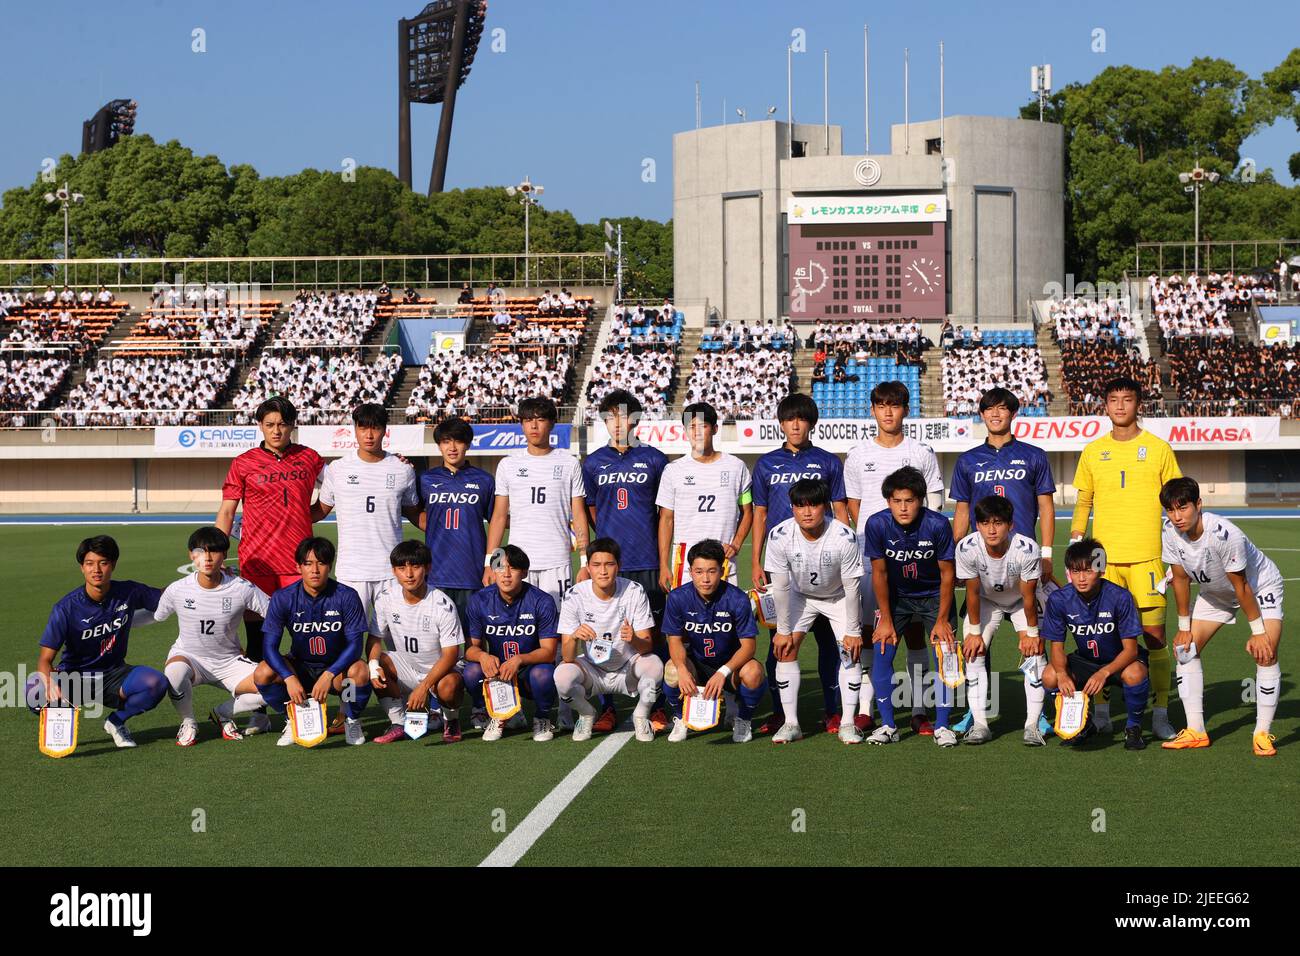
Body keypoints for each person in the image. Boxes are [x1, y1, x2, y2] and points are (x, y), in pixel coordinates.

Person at [1069, 376, 1181, 740]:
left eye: (1127, 399)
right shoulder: (1092, 451)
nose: (1120, 405)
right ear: (1105, 404)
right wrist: (1076, 546)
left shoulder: (1158, 448)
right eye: (1113, 399)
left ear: (1139, 405)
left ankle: (1161, 712)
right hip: (1104, 562)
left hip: (1147, 559)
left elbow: (1175, 499)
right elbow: (1083, 501)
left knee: (1154, 636)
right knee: (1103, 639)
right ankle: (1102, 712)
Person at [948, 386, 1057, 736]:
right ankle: (977, 715)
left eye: (1002, 409)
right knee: (975, 644)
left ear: (1013, 413)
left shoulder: (1033, 455)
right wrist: (953, 554)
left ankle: (1038, 716)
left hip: (1023, 563)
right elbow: (962, 510)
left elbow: (1045, 506)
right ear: (981, 415)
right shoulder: (968, 461)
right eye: (989, 409)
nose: (995, 414)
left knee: (1036, 645)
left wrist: (1047, 552)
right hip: (983, 564)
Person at [844, 381, 945, 734]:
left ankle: (918, 709)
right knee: (875, 631)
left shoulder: (921, 452)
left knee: (917, 634)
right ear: (872, 410)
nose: (888, 412)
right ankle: (867, 709)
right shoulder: (858, 454)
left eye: (896, 405)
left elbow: (934, 499)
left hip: (915, 558)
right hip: (873, 558)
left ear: (905, 409)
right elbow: (853, 507)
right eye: (882, 405)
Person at [485, 396, 589, 729]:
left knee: (559, 640)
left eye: (541, 419)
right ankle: (509, 710)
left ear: (551, 424)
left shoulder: (568, 462)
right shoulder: (508, 464)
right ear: (521, 423)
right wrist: (492, 562)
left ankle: (561, 706)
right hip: (516, 567)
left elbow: (578, 514)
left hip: (557, 561)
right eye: (528, 419)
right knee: (508, 636)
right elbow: (500, 516)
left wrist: (584, 559)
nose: (534, 425)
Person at [1159, 477, 1283, 756]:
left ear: (1198, 505)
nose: (1177, 517)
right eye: (1171, 510)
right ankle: (1196, 731)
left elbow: (1242, 586)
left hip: (1259, 586)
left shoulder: (1224, 534)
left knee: (1266, 652)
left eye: (1184, 508)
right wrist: (1183, 626)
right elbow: (1179, 578)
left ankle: (1262, 733)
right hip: (1216, 591)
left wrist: (1258, 631)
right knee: (1185, 649)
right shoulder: (1169, 531)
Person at [750, 392, 851, 735]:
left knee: (830, 646)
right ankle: (781, 714)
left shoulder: (828, 461)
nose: (795, 425)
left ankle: (832, 712)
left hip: (825, 567)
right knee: (781, 642)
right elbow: (759, 514)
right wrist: (755, 560)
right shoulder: (765, 464)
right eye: (789, 419)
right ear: (780, 423)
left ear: (811, 423)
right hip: (782, 566)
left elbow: (840, 511)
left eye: (801, 419)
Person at [217, 396, 325, 683]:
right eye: (269, 425)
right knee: (259, 641)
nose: (276, 430)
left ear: (292, 426)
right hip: (257, 564)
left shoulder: (310, 458)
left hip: (299, 564)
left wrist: (307, 515)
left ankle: (307, 706)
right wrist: (213, 550)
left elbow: (336, 489)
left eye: (282, 424)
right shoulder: (243, 463)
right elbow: (227, 511)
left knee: (307, 638)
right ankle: (259, 710)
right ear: (260, 426)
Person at [582, 389, 669, 732]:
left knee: (651, 636)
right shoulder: (592, 462)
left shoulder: (655, 459)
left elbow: (665, 513)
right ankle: (606, 705)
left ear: (636, 420)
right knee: (603, 634)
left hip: (647, 559)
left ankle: (658, 702)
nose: (618, 423)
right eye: (611, 417)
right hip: (607, 564)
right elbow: (591, 510)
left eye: (624, 417)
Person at [34, 535, 166, 749]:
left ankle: (116, 721)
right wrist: (50, 682)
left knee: (156, 683)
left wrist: (199, 580)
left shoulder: (128, 592)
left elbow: (166, 595)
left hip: (114, 674)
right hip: (75, 676)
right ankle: (64, 716)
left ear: (112, 565)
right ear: (82, 568)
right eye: (89, 564)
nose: (96, 570)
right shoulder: (65, 608)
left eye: (103, 563)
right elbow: (45, 659)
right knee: (35, 690)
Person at [763, 479, 866, 744]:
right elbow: (781, 587)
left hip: (838, 597)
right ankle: (791, 724)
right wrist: (783, 631)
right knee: (785, 649)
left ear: (826, 507)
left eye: (814, 505)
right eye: (800, 506)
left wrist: (853, 631)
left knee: (849, 652)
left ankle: (847, 723)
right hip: (800, 596)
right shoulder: (779, 535)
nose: (807, 512)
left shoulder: (844, 536)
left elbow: (852, 588)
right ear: (792, 508)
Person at [862, 466, 959, 746]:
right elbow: (879, 574)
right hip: (896, 596)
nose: (903, 508)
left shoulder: (938, 525)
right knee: (882, 648)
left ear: (921, 500)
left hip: (933, 595)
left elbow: (947, 575)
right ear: (888, 501)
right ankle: (889, 726)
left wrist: (942, 619)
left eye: (910, 500)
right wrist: (885, 618)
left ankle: (942, 726)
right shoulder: (877, 524)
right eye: (896, 501)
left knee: (947, 654)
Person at [154, 526, 271, 744]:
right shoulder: (178, 589)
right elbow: (158, 616)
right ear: (191, 555)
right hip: (191, 658)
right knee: (174, 673)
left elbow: (274, 611)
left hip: (229, 662)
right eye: (200, 551)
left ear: (225, 555)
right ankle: (188, 721)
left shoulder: (241, 588)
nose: (207, 558)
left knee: (272, 688)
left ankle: (223, 713)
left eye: (214, 551)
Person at [253, 537, 373, 747]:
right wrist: (289, 677)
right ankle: (293, 719)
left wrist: (329, 674)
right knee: (263, 672)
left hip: (336, 671)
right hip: (301, 667)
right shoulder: (284, 597)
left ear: (330, 565)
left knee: (360, 671)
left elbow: (355, 646)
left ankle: (351, 719)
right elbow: (268, 647)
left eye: (321, 563)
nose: (315, 570)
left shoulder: (347, 596)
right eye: (308, 563)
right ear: (298, 566)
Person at [312, 403, 421, 629]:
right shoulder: (338, 469)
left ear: (385, 430)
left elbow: (415, 514)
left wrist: (454, 530)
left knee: (395, 638)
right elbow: (319, 511)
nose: (369, 435)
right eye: (363, 428)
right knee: (346, 637)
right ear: (355, 429)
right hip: (351, 571)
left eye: (375, 428)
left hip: (392, 571)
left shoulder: (403, 469)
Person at [1039, 538, 1150, 751]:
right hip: (1086, 660)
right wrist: (1062, 674)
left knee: (1135, 673)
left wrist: (1104, 673)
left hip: (1120, 660)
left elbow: (1131, 650)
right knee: (1050, 675)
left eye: (1088, 571)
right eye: (1075, 571)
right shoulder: (1059, 599)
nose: (1081, 578)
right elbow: (1057, 648)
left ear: (1100, 570)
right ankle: (1084, 724)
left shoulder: (1120, 597)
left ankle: (1133, 728)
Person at [418, 415, 495, 724]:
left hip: (472, 574)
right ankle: (438, 706)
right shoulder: (425, 479)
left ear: (467, 444)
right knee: (437, 646)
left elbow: (496, 523)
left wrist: (490, 563)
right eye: (446, 441)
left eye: (458, 441)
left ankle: (480, 704)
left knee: (475, 644)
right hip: (435, 577)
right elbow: (417, 514)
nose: (452, 447)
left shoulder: (484, 480)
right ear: (438, 445)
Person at [954, 496, 1044, 745]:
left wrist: (1031, 634)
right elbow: (971, 592)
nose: (991, 530)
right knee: (973, 654)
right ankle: (981, 725)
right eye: (984, 523)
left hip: (1020, 602)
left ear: (1010, 525)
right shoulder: (967, 548)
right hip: (986, 601)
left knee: (1035, 657)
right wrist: (973, 632)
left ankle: (1032, 725)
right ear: (977, 525)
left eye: (998, 523)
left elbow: (1028, 596)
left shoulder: (1026, 549)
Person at [554, 538, 662, 742]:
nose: (603, 571)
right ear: (588, 568)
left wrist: (634, 640)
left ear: (618, 566)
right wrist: (575, 636)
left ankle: (641, 715)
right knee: (562, 676)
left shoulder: (634, 590)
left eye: (609, 564)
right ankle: (586, 714)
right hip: (592, 670)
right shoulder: (574, 595)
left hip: (627, 667)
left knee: (655, 665)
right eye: (596, 565)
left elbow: (647, 645)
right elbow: (568, 657)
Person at [661, 540, 768, 743]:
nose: (706, 579)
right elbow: (673, 640)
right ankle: (680, 718)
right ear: (690, 571)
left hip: (730, 667)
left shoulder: (737, 599)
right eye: (699, 572)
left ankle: (743, 719)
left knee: (754, 672)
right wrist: (683, 669)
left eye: (711, 571)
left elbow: (749, 646)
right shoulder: (678, 598)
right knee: (673, 670)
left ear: (722, 570)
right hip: (698, 665)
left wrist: (723, 672)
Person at [369, 541, 466, 745]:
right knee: (376, 666)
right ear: (394, 571)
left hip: (440, 670)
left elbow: (451, 655)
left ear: (427, 568)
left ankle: (451, 720)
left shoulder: (442, 605)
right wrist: (372, 665)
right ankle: (398, 723)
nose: (409, 574)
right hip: (408, 665)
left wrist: (424, 686)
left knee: (449, 686)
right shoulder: (386, 598)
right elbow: (375, 639)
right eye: (402, 568)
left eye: (415, 566)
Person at [464, 545, 560, 742]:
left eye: (513, 568)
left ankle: (542, 717)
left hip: (529, 669)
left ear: (524, 572)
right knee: (471, 671)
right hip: (498, 670)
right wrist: (483, 656)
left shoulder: (542, 601)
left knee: (544, 674)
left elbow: (549, 652)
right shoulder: (479, 600)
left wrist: (519, 660)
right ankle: (497, 714)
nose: (506, 574)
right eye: (500, 567)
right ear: (493, 571)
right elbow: (470, 649)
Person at [656, 402, 752, 590]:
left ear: (715, 429)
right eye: (691, 427)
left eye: (703, 426)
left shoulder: (736, 467)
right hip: (684, 567)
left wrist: (737, 544)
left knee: (725, 618)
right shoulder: (673, 470)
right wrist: (663, 564)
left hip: (724, 563)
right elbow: (666, 520)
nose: (697, 432)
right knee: (686, 618)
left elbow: (747, 512)